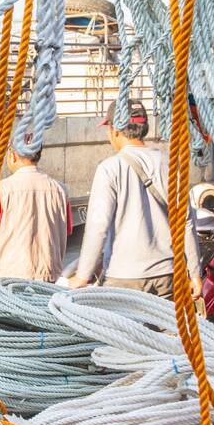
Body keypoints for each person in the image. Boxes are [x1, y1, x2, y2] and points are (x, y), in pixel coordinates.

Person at [67, 102, 200, 298]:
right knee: (163, 328)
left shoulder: (110, 168)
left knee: (121, 329)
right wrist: (195, 273)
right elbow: (186, 221)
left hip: (123, 277)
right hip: (167, 275)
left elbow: (98, 226)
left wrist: (83, 276)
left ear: (116, 130)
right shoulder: (169, 164)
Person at [0, 145, 70, 283]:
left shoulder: (3, 188)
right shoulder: (60, 189)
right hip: (49, 274)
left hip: (10, 275)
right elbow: (67, 229)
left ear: (12, 155)